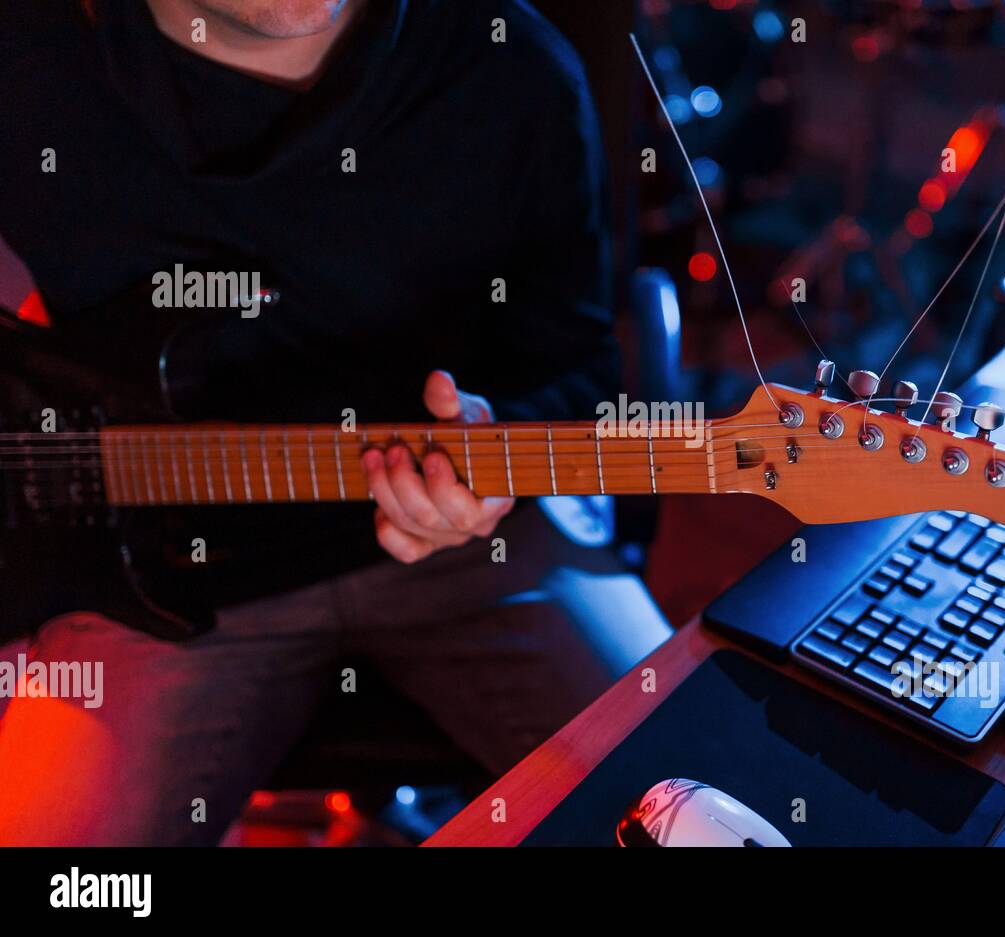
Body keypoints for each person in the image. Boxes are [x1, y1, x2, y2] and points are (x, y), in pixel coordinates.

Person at [0, 0, 670, 845]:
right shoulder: (28, 55)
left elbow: (580, 368)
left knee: (703, 800)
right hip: (144, 569)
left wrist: (496, 445)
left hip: (484, 552)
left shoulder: (511, 66)